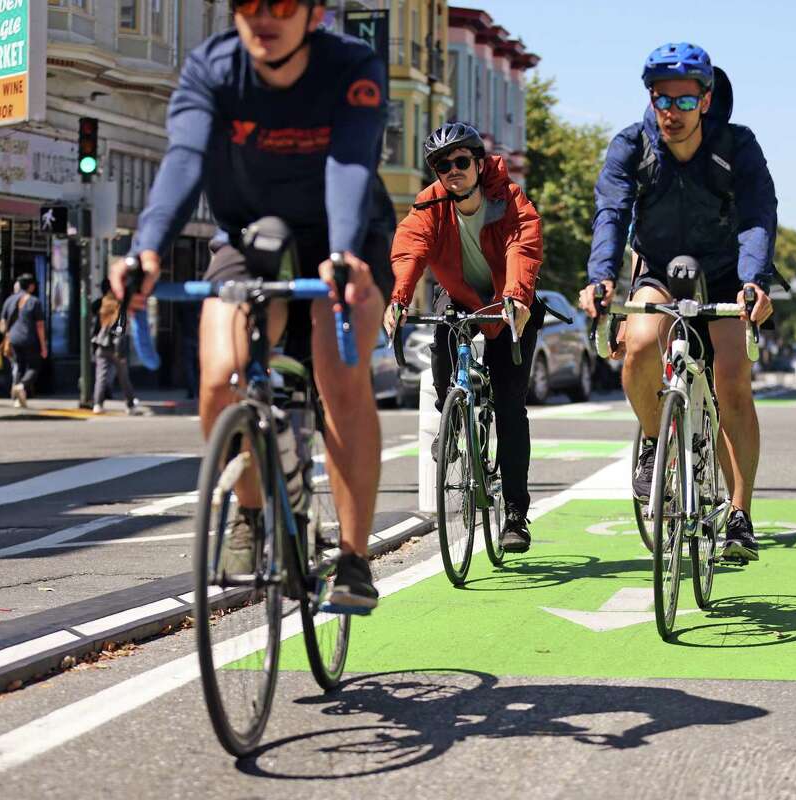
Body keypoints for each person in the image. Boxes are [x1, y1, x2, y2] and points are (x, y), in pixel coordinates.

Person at [108, 0, 392, 611]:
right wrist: (147, 251)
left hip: (346, 237)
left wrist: (343, 252)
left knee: (340, 376)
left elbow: (349, 161)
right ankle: (252, 513)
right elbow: (184, 158)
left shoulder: (352, 65)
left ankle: (352, 558)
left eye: (282, 4)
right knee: (222, 379)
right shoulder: (211, 69)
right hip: (251, 237)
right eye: (248, 3)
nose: (264, 17)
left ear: (314, 14)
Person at [579, 42, 777, 562]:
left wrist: (754, 282)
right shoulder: (631, 146)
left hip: (727, 272)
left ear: (705, 101)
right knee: (641, 345)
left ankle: (740, 514)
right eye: (662, 99)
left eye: (685, 101)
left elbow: (758, 216)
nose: (672, 111)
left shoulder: (737, 146)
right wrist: (601, 280)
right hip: (660, 269)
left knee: (731, 378)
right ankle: (654, 441)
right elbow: (611, 214)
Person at [384, 122, 544, 553]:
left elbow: (522, 245)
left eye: (460, 161)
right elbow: (409, 250)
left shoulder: (507, 199)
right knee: (442, 340)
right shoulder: (430, 206)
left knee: (509, 407)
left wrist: (516, 297)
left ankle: (515, 515)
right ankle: (451, 417)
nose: (452, 170)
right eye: (442, 165)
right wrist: (398, 300)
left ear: (478, 163)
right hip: (459, 295)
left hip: (509, 301)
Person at [0, 273, 47, 409]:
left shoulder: (9, 300)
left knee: (19, 366)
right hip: (29, 338)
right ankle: (22, 386)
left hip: (13, 338)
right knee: (34, 366)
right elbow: (40, 325)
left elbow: (2, 322)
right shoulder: (34, 301)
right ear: (31, 286)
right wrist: (43, 345)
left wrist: (7, 335)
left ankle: (17, 399)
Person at [90, 293, 139, 415]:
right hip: (115, 350)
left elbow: (95, 331)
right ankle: (130, 405)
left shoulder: (102, 313)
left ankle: (97, 404)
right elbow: (119, 335)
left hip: (101, 347)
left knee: (101, 377)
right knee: (124, 378)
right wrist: (120, 353)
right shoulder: (119, 314)